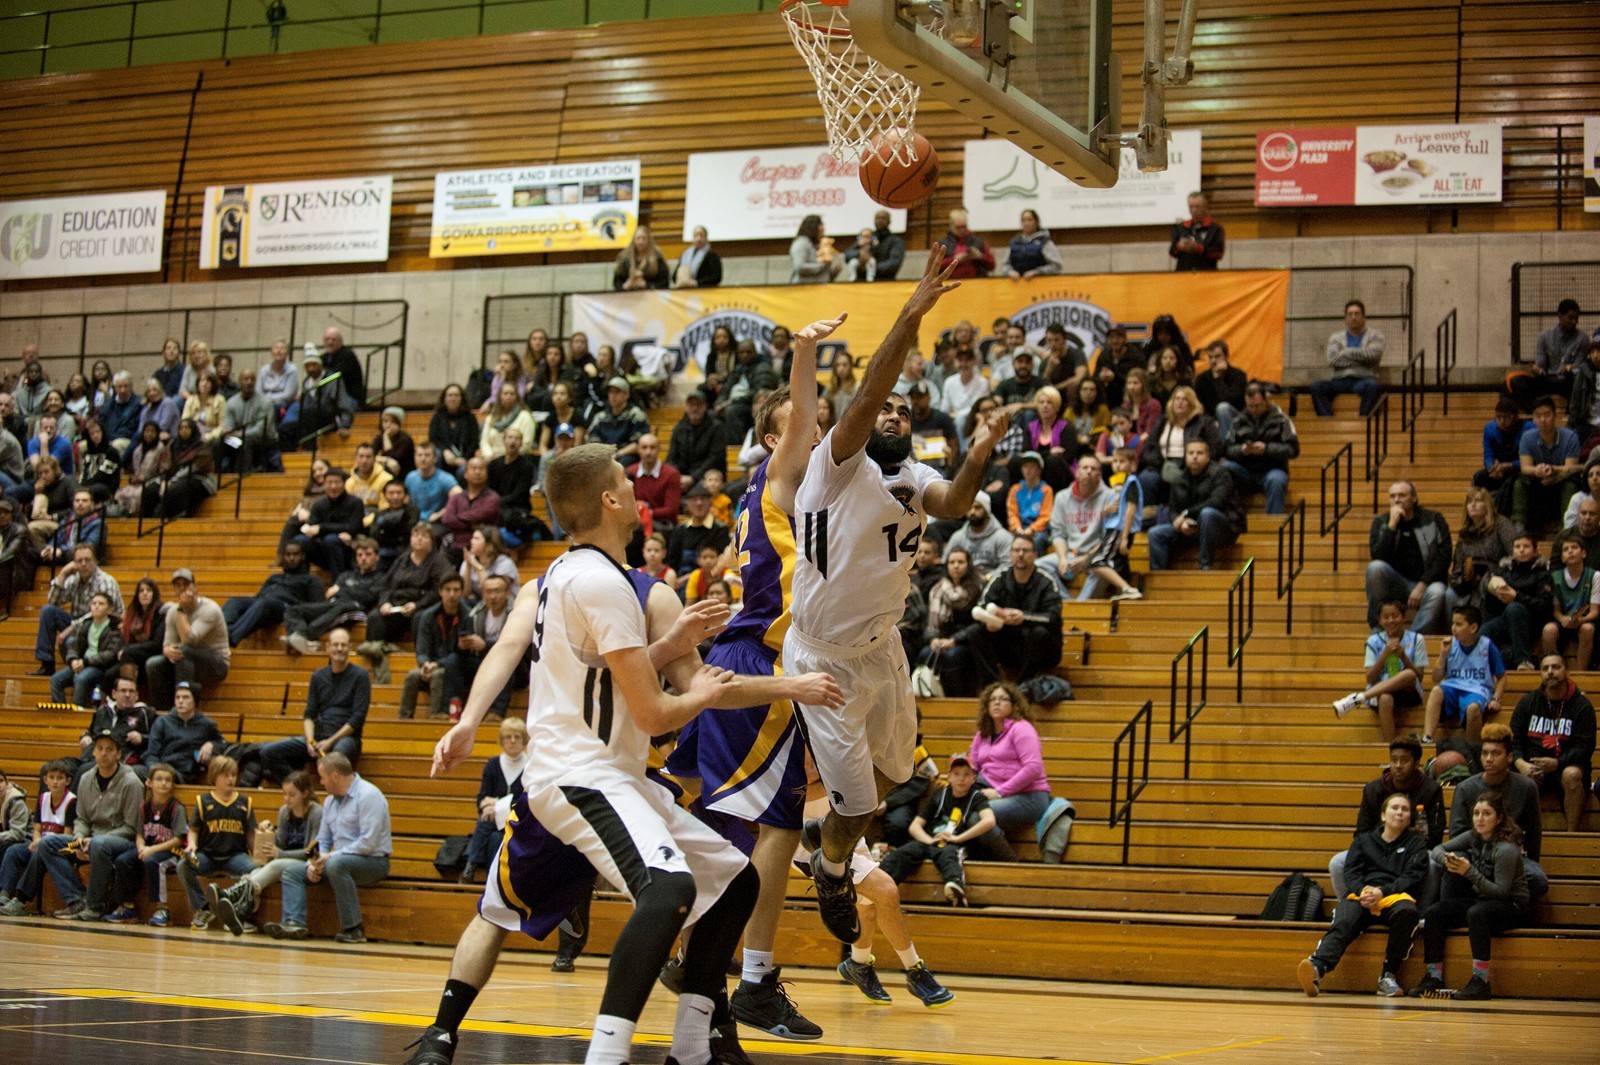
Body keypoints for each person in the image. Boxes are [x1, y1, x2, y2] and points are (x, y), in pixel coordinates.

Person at [414, 442, 759, 1065]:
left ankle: (696, 1041)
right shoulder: (597, 584)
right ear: (609, 499)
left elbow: (604, 675)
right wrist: (709, 691)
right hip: (579, 775)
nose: (636, 490)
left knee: (734, 880)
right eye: (627, 481)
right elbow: (657, 706)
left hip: (611, 775)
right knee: (656, 890)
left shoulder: (575, 581)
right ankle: (593, 1050)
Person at [783, 253, 1005, 945]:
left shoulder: (914, 472)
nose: (893, 412)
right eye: (886, 407)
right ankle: (830, 859)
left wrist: (980, 452)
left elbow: (956, 500)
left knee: (890, 774)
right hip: (827, 660)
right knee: (862, 798)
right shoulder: (835, 465)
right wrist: (909, 318)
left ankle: (832, 848)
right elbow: (867, 397)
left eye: (907, 408)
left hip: (884, 647)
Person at [1296, 792, 1426, 998]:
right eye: (1395, 808)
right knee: (1345, 917)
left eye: (1405, 809)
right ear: (1383, 815)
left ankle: (1388, 977)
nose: (1399, 813)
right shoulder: (1364, 840)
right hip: (1362, 895)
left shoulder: (1415, 844)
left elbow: (1412, 876)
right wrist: (1362, 891)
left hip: (1394, 896)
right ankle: (1317, 967)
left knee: (1408, 914)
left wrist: (1383, 891)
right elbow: (1351, 871)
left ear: (1410, 817)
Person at [1412, 791, 1530, 1001]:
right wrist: (1448, 859)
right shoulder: (1473, 836)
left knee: (1477, 913)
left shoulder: (1506, 849)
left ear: (1499, 818)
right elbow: (1438, 848)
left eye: (1486, 814)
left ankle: (1480, 981)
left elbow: (1501, 892)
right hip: (1483, 899)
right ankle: (1433, 976)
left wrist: (1468, 872)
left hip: (1512, 905)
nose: (1479, 819)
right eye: (1476, 813)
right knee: (1435, 912)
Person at [266, 753, 390, 944]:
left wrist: (329, 857)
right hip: (337, 861)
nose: (321, 782)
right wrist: (314, 862)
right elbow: (322, 839)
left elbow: (368, 844)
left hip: (373, 862)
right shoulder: (330, 801)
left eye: (322, 777)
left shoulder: (369, 795)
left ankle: (354, 929)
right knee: (292, 871)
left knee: (336, 865)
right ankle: (294, 923)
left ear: (335, 776)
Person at [35, 729, 141, 920]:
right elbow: (82, 819)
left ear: (118, 754)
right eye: (99, 748)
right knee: (48, 845)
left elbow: (131, 827)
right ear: (93, 752)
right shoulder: (85, 779)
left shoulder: (131, 782)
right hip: (88, 839)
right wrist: (79, 836)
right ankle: (77, 899)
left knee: (100, 844)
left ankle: (94, 907)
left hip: (120, 842)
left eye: (109, 749)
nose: (103, 753)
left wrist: (96, 839)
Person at [1325, 735, 1444, 898]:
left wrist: (1410, 845)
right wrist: (1379, 846)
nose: (1398, 765)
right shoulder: (1373, 789)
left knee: (1433, 862)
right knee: (1337, 863)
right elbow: (1362, 831)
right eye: (1394, 760)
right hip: (1377, 847)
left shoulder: (1430, 789)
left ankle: (1422, 916)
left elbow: (1435, 835)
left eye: (1404, 760)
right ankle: (1349, 906)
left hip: (1413, 850)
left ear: (1416, 764)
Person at [207, 769, 322, 936]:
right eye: (284, 794)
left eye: (292, 795)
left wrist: (280, 854)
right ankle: (241, 916)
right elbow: (281, 843)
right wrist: (269, 833)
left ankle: (230, 894)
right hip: (283, 859)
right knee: (255, 871)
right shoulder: (285, 811)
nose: (287, 799)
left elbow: (311, 852)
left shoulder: (316, 813)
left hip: (306, 863)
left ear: (305, 793)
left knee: (275, 865)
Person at [877, 754, 995, 906]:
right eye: (957, 774)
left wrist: (958, 838)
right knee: (904, 852)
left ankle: (955, 889)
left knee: (948, 854)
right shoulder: (940, 795)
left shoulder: (977, 797)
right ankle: (879, 883)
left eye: (967, 774)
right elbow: (915, 826)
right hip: (931, 840)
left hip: (955, 843)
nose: (961, 779)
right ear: (950, 776)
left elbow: (989, 820)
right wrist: (930, 840)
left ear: (974, 778)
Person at [262, 629, 370, 783]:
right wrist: (310, 741)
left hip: (346, 739)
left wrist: (330, 742)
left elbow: (357, 718)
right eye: (335, 644)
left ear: (350, 647)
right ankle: (300, 788)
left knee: (337, 757)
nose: (339, 648)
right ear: (328, 647)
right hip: (318, 738)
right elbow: (309, 715)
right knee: (269, 752)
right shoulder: (318, 676)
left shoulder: (361, 676)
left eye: (343, 645)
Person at [966, 682, 1056, 861]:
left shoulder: (1022, 729)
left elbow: (1033, 768)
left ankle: (1010, 862)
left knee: (978, 817)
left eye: (1002, 699)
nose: (997, 703)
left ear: (1014, 704)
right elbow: (973, 765)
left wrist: (1000, 792)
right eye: (992, 699)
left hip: (1030, 796)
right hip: (995, 793)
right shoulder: (983, 734)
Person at [1509, 652, 1596, 831]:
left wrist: (1557, 763)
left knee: (1572, 774)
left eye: (1556, 667)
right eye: (1545, 668)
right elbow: (1513, 741)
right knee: (1515, 776)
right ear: (1540, 674)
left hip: (1566, 767)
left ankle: (1571, 836)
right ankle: (1513, 836)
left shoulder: (1582, 706)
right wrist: (1521, 763)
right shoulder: (1527, 702)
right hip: (1532, 767)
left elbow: (1585, 748)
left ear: (1566, 671)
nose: (1550, 672)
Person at [174, 754, 256, 930]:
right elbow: (194, 830)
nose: (231, 779)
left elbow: (251, 834)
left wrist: (258, 856)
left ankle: (238, 913)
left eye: (233, 775)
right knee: (184, 866)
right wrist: (192, 845)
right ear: (214, 777)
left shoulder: (244, 802)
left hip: (235, 855)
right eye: (226, 775)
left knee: (254, 871)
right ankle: (204, 908)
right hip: (208, 855)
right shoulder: (203, 801)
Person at [103, 759, 186, 925]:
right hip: (149, 849)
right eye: (159, 779)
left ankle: (162, 909)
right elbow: (140, 833)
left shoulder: (176, 808)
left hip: (173, 851)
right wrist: (141, 847)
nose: (164, 783)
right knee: (123, 860)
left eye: (168, 780)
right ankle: (127, 908)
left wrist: (151, 850)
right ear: (149, 782)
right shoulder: (144, 807)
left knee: (154, 862)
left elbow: (178, 839)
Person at [1334, 600, 1429, 739]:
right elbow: (1370, 678)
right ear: (1379, 620)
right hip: (1380, 692)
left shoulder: (1417, 639)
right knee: (1385, 699)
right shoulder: (1373, 641)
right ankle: (1388, 750)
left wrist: (1403, 656)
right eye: (1386, 617)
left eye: (1395, 616)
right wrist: (1384, 655)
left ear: (1403, 616)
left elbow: (1419, 677)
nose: (1391, 620)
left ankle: (1360, 698)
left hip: (1409, 692)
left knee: (1409, 674)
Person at [1365, 481, 1451, 634]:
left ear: (1414, 498)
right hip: (1396, 585)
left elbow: (1444, 556)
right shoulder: (1381, 522)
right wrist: (1391, 525)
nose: (1397, 500)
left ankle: (1413, 636)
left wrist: (1423, 584)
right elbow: (1377, 556)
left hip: (1426, 584)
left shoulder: (1434, 519)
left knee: (1438, 591)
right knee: (1375, 568)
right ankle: (1378, 629)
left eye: (1402, 495)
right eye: (1393, 496)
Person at [1147, 438, 1246, 571]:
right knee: (1155, 533)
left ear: (1208, 456)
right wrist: (1179, 522)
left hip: (1223, 528)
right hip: (1191, 528)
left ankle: (1204, 566)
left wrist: (1187, 514)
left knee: (1208, 513)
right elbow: (1173, 509)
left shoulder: (1221, 474)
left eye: (1199, 453)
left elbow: (1216, 502)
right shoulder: (1179, 479)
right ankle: (1158, 578)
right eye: (1191, 453)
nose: (1194, 457)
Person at [31, 541, 122, 678]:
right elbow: (53, 601)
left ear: (96, 561)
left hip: (102, 628)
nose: (83, 564)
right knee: (48, 611)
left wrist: (70, 629)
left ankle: (75, 671)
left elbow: (98, 614)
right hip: (77, 624)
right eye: (79, 561)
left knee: (70, 640)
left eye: (87, 560)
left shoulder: (105, 582)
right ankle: (47, 663)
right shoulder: (74, 579)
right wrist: (62, 574)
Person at [282, 537, 386, 654]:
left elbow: (368, 597)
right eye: (360, 555)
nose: (363, 558)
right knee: (293, 609)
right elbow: (330, 594)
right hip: (335, 604)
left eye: (368, 554)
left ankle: (307, 637)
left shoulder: (381, 578)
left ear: (377, 557)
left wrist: (341, 590)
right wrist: (348, 591)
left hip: (357, 609)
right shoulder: (346, 575)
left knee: (341, 607)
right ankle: (299, 636)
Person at [144, 568, 230, 710]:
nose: (182, 588)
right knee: (153, 664)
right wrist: (167, 651)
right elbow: (167, 644)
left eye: (186, 584)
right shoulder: (173, 612)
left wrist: (182, 610)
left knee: (184, 651)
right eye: (178, 585)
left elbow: (189, 640)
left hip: (217, 664)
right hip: (187, 659)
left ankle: (185, 710)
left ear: (195, 587)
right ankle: (163, 713)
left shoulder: (210, 609)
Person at [458, 717, 529, 884]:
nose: (512, 741)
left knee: (485, 824)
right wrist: (489, 807)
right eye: (508, 737)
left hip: (520, 820)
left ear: (524, 740)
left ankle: (471, 864)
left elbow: (526, 802)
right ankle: (491, 880)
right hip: (495, 823)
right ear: (501, 740)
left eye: (517, 737)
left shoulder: (531, 765)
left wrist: (496, 805)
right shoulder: (493, 764)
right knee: (494, 837)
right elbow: (481, 801)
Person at [0, 759, 74, 917]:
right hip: (42, 844)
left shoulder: (72, 801)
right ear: (45, 780)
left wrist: (41, 844)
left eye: (59, 778)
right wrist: (35, 840)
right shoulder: (43, 798)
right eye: (52, 777)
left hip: (70, 847)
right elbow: (37, 829)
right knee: (13, 851)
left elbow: (69, 836)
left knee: (42, 849)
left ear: (67, 781)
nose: (55, 782)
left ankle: (20, 900)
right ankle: (4, 894)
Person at [1423, 605, 1506, 745]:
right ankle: (1427, 737)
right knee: (1436, 690)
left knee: (1473, 709)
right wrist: (1443, 655)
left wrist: (1496, 699)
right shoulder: (1449, 645)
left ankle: (1472, 749)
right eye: (1453, 623)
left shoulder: (1487, 645)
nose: (1453, 628)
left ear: (1473, 628)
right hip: (1452, 687)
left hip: (1477, 690)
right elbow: (1436, 678)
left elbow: (1502, 676)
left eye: (1459, 624)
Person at [220, 541, 324, 646]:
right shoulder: (274, 577)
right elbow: (258, 597)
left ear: (302, 556)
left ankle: (232, 638)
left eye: (295, 554)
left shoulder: (311, 580)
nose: (292, 558)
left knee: (265, 603)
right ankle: (225, 633)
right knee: (235, 601)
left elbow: (316, 608)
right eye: (288, 555)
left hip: (286, 608)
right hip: (263, 604)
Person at [1479, 531, 1552, 672]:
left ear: (1535, 551)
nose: (1521, 550)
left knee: (1515, 608)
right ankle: (1477, 667)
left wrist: (1516, 596)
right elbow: (1490, 604)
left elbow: (1544, 605)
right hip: (1505, 619)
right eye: (1517, 547)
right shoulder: (1504, 572)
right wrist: (1494, 592)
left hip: (1532, 621)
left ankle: (1524, 661)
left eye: (1526, 546)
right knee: (1484, 631)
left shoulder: (1543, 574)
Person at [1222, 382, 1298, 515]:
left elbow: (1293, 449)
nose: (1253, 410)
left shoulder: (1282, 420)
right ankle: (1230, 518)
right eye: (1250, 406)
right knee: (1224, 468)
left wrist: (1266, 449)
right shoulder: (1238, 421)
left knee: (1277, 480)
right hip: (1245, 471)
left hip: (1272, 469)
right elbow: (1227, 449)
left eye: (1257, 406)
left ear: (1265, 400)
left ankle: (1273, 528)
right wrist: (1242, 450)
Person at [1514, 396, 1583, 530]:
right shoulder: (1527, 437)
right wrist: (1536, 470)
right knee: (1520, 482)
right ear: (1533, 419)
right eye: (1538, 416)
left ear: (1555, 416)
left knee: (1571, 484)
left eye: (1547, 415)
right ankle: (1519, 527)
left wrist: (1552, 469)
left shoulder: (1570, 437)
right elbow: (1525, 467)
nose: (1543, 420)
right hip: (1538, 482)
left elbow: (1571, 468)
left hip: (1562, 480)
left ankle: (1568, 527)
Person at [1309, 300, 1386, 417]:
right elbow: (1332, 359)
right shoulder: (1336, 338)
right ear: (1345, 317)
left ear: (1364, 317)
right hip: (1340, 380)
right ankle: (1327, 422)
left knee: (1373, 386)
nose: (1353, 317)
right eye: (1350, 314)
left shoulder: (1376, 336)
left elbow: (1373, 356)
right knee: (1317, 386)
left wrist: (1345, 352)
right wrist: (1361, 359)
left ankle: (1363, 422)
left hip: (1363, 379)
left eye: (1357, 314)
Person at [1509, 298, 1586, 411]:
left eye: (1576, 318)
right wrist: (1538, 369)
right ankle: (1533, 410)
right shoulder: (1544, 336)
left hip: (1568, 380)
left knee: (1579, 382)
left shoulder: (1582, 338)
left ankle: (1571, 413)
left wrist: (1571, 369)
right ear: (1560, 316)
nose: (1574, 321)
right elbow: (1541, 365)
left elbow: (1580, 366)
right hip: (1548, 379)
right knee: (1516, 381)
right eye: (1571, 318)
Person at [50, 591, 122, 708]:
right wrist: (73, 660)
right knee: (55, 680)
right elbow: (74, 647)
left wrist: (85, 662)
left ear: (109, 610)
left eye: (101, 604)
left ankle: (77, 713)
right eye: (94, 603)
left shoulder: (114, 628)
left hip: (100, 667)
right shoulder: (86, 624)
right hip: (82, 663)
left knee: (80, 679)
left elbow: (110, 654)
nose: (96, 606)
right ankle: (61, 714)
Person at [142, 682, 223, 784]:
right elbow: (151, 753)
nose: (180, 701)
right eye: (177, 697)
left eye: (185, 697)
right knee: (135, 772)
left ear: (195, 701)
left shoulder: (206, 724)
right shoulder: (162, 722)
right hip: (162, 768)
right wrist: (154, 770)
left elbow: (222, 743)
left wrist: (211, 744)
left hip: (186, 772)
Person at [1544, 533, 1597, 669]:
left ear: (1583, 553)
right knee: (1549, 630)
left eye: (1574, 548)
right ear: (1562, 557)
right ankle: (1555, 668)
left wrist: (1580, 620)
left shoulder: (1595, 576)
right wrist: (1562, 619)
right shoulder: (1555, 577)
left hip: (1583, 620)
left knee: (1588, 629)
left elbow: (1594, 611)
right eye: (1566, 549)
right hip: (1564, 620)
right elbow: (1556, 611)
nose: (1570, 551)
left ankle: (1581, 673)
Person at [437, 456, 501, 558]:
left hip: (484, 548)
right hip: (456, 547)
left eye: (481, 468)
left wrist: (458, 517)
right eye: (473, 468)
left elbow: (480, 515)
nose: (477, 472)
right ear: (465, 474)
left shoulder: (493, 498)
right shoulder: (456, 498)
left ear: (487, 474)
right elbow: (447, 519)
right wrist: (471, 525)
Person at [667, 389, 724, 494]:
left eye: (698, 404)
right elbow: (671, 457)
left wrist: (693, 478)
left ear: (705, 407)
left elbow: (715, 458)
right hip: (681, 477)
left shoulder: (716, 427)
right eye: (691, 405)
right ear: (686, 408)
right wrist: (677, 476)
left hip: (704, 476)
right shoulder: (679, 428)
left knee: (703, 488)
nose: (694, 408)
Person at [405, 441, 462, 526]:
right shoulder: (410, 477)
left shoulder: (445, 478)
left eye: (427, 455)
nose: (423, 458)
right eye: (419, 455)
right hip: (415, 521)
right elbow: (406, 501)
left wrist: (439, 514)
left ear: (435, 458)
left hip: (437, 523)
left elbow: (459, 497)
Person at [428, 384, 479, 474]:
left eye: (456, 395)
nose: (453, 398)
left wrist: (464, 458)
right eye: (450, 395)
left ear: (461, 399)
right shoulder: (437, 418)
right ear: (444, 399)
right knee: (436, 455)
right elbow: (433, 439)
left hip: (463, 459)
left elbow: (474, 442)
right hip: (443, 458)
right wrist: (445, 451)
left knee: (463, 471)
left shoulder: (470, 418)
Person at [1169, 191, 1224, 271]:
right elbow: (1172, 251)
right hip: (1183, 273)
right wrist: (1179, 247)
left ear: (1205, 207)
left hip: (1206, 274)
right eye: (1191, 207)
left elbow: (1218, 254)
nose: (1194, 210)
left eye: (1197, 207)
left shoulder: (1215, 228)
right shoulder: (1181, 227)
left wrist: (1198, 248)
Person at [843, 209, 905, 281]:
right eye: (877, 218)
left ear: (889, 221)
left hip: (885, 282)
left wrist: (867, 268)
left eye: (883, 218)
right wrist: (858, 253)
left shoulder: (895, 241)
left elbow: (894, 264)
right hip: (861, 283)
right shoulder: (867, 237)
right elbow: (848, 255)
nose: (880, 221)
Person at [935, 208, 994, 279]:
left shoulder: (979, 241)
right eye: (958, 227)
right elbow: (934, 268)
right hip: (949, 283)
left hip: (977, 283)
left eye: (964, 227)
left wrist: (980, 256)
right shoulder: (942, 243)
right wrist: (954, 260)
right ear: (951, 226)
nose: (962, 230)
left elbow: (992, 265)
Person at [1004, 209, 1063, 278]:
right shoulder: (1014, 242)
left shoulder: (1044, 242)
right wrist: (1009, 271)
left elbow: (1057, 266)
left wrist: (1037, 272)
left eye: (1029, 220)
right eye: (1023, 220)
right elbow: (1005, 265)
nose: (1026, 223)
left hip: (1041, 284)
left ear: (1036, 222)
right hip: (1017, 285)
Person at [320, 326, 366, 410]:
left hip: (350, 398)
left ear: (340, 342)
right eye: (327, 339)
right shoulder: (323, 358)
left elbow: (334, 376)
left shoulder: (347, 355)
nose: (330, 342)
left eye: (333, 340)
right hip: (331, 399)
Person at [789, 213, 841, 284]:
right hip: (802, 289)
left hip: (819, 289)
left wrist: (834, 271)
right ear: (813, 227)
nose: (823, 229)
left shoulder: (819, 246)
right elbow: (800, 267)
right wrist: (822, 265)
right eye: (821, 225)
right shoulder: (801, 243)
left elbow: (822, 276)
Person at [614, 225, 669, 290]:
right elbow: (617, 282)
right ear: (633, 240)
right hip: (628, 295)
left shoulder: (657, 258)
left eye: (643, 238)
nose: (641, 242)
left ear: (649, 240)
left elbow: (664, 283)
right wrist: (625, 286)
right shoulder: (624, 258)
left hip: (650, 295)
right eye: (638, 238)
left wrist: (646, 285)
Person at [372, 405, 415, 478]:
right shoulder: (380, 437)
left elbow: (394, 459)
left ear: (399, 424)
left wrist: (386, 437)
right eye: (385, 421)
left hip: (404, 472)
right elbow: (371, 453)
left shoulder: (406, 439)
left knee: (391, 465)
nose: (388, 425)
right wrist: (384, 460)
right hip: (387, 469)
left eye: (392, 422)